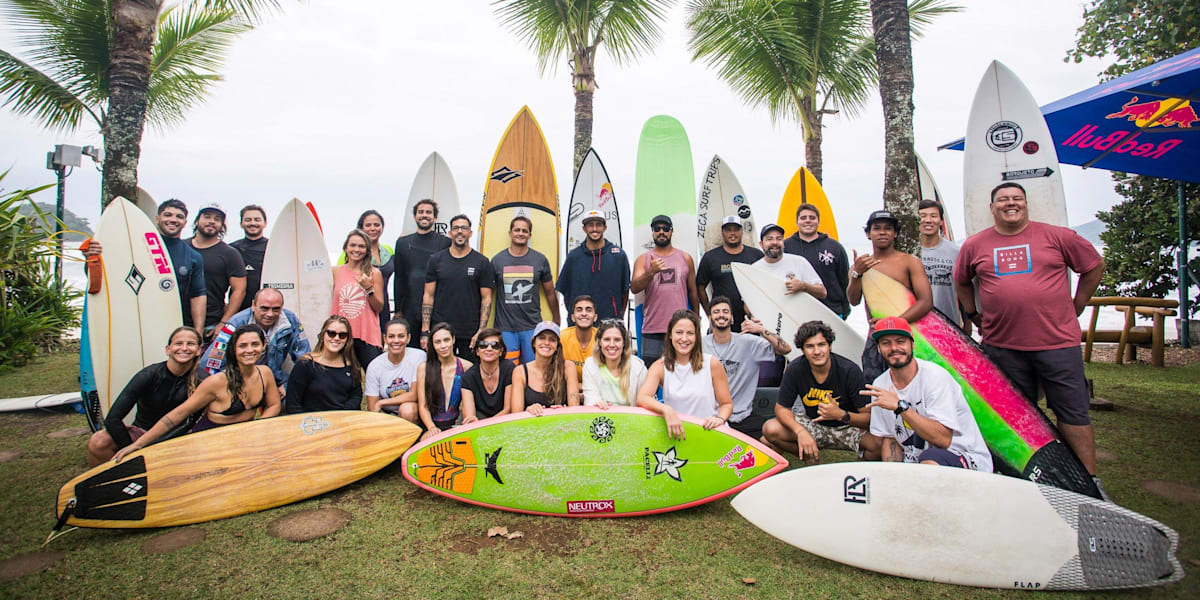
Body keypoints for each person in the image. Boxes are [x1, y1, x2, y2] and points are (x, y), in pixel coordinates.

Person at [954, 181, 1106, 494]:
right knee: (1013, 420)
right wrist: (971, 312)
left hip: (1057, 344)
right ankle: (1020, 483)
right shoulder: (975, 244)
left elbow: (1093, 266)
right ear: (992, 207)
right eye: (1003, 199)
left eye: (1017, 198)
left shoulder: (1058, 236)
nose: (1011, 203)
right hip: (1002, 347)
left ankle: (1088, 484)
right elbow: (962, 280)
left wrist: (1077, 304)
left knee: (1072, 413)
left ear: (1025, 204)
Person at [113, 324, 282, 462]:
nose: (249, 350)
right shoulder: (216, 382)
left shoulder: (264, 373)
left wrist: (256, 427)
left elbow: (274, 405)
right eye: (243, 346)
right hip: (210, 442)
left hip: (244, 438)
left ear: (263, 346)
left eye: (255, 344)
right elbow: (177, 415)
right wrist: (138, 445)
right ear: (233, 349)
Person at [862, 317, 993, 471]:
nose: (894, 348)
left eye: (900, 341)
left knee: (930, 458)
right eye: (886, 343)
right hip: (919, 466)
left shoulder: (935, 377)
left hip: (964, 456)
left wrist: (900, 407)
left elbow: (943, 440)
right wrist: (894, 477)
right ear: (879, 349)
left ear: (912, 344)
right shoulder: (880, 384)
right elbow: (890, 440)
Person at [762, 320, 879, 464]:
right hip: (814, 425)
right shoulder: (796, 369)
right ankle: (811, 458)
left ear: (830, 346)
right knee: (770, 429)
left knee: (878, 445)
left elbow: (868, 418)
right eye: (810, 346)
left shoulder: (849, 370)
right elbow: (781, 408)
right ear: (802, 349)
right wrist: (800, 431)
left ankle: (858, 466)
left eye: (821, 345)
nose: (817, 352)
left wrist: (840, 414)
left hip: (847, 426)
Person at [86, 327, 202, 466]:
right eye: (178, 343)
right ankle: (104, 477)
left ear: (198, 350)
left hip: (178, 437)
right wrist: (131, 448)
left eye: (190, 344)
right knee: (98, 441)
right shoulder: (149, 375)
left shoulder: (202, 380)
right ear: (168, 349)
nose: (184, 348)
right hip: (142, 432)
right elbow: (113, 419)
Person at [82, 199, 207, 328]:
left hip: (174, 323)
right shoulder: (135, 248)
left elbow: (197, 295)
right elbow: (103, 278)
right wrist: (92, 259)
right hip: (136, 323)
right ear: (157, 219)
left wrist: (198, 330)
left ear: (185, 223)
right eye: (168, 215)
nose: (173, 220)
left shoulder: (193, 256)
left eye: (179, 217)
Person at [846, 209, 933, 383]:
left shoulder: (909, 262)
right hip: (876, 339)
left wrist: (893, 323)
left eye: (888, 228)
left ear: (895, 234)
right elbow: (853, 301)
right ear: (869, 234)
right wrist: (857, 274)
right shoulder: (860, 266)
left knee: (913, 385)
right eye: (877, 228)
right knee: (875, 386)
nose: (882, 232)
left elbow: (926, 302)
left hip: (909, 336)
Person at [703, 296, 791, 439]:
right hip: (710, 416)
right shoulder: (700, 345)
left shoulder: (749, 343)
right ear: (710, 318)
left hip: (742, 417)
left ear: (732, 318)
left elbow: (785, 349)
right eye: (716, 312)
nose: (721, 315)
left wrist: (761, 330)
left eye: (725, 311)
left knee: (770, 440)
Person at [637, 310, 733, 440]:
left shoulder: (712, 363)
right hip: (680, 437)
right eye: (679, 332)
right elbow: (642, 398)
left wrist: (719, 419)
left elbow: (726, 404)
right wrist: (666, 410)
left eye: (690, 333)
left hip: (711, 434)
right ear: (670, 335)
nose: (684, 338)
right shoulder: (660, 366)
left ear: (696, 337)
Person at [199, 288, 310, 398]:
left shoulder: (289, 320)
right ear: (253, 305)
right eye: (264, 308)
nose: (270, 314)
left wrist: (289, 386)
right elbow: (212, 363)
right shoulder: (236, 323)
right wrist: (225, 390)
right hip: (240, 381)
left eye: (276, 309)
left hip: (276, 379)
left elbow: (305, 359)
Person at [422, 214, 495, 363]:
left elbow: (486, 298)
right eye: (456, 228)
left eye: (464, 228)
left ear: (470, 233)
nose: (460, 231)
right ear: (450, 233)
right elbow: (428, 295)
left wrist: (481, 330)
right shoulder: (436, 260)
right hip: (441, 330)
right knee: (439, 371)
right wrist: (425, 330)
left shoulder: (482, 262)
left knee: (469, 372)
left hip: (470, 332)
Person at [631, 215, 699, 367]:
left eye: (665, 228)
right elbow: (634, 288)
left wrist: (696, 321)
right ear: (653, 232)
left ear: (671, 231)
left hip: (680, 329)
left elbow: (693, 292)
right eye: (657, 229)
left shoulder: (685, 258)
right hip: (652, 328)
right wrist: (651, 272)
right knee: (652, 374)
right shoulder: (643, 259)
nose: (661, 232)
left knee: (682, 373)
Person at [492, 216, 558, 363]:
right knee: (509, 370)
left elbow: (550, 292)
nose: (520, 233)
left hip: (532, 326)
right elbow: (487, 295)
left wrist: (557, 319)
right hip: (505, 327)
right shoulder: (497, 260)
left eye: (524, 231)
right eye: (517, 230)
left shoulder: (540, 260)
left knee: (534, 368)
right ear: (510, 233)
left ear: (530, 235)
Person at [392, 199, 451, 347]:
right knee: (411, 352)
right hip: (410, 308)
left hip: (437, 309)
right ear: (415, 216)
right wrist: (398, 310)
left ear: (435, 217)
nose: (424, 215)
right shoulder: (403, 243)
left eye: (428, 212)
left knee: (436, 352)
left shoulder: (445, 243)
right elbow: (399, 278)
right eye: (421, 212)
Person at [556, 210, 630, 323]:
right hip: (581, 325)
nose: (594, 229)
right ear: (584, 228)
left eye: (598, 225)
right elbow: (565, 292)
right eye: (590, 225)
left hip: (610, 324)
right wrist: (577, 317)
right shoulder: (573, 257)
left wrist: (618, 316)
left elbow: (625, 292)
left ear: (605, 228)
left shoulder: (618, 256)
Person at [187, 203, 247, 341]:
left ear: (222, 225)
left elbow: (239, 290)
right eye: (207, 217)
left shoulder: (230, 253)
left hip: (212, 323)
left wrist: (224, 323)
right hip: (177, 317)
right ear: (197, 220)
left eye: (217, 219)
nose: (212, 221)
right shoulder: (182, 247)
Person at [697, 216, 764, 332]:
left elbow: (764, 284)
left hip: (751, 319)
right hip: (722, 319)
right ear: (722, 232)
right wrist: (709, 312)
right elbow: (700, 286)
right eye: (728, 230)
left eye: (736, 230)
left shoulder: (756, 255)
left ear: (741, 231)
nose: (732, 233)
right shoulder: (710, 257)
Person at [286, 316, 364, 413]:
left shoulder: (352, 366)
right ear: (323, 335)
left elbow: (356, 396)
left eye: (342, 335)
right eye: (331, 333)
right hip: (312, 420)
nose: (336, 338)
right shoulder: (305, 364)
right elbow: (293, 403)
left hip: (343, 419)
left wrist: (342, 416)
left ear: (347, 339)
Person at [784, 204, 850, 318]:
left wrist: (845, 310)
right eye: (803, 218)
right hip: (796, 312)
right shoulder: (785, 247)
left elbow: (844, 280)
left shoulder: (834, 247)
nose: (808, 221)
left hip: (831, 310)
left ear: (818, 222)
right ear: (797, 222)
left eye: (812, 218)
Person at [333, 229, 385, 369]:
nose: (356, 249)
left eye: (361, 246)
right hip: (341, 335)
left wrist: (368, 288)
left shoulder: (374, 273)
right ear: (346, 248)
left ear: (367, 250)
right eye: (353, 245)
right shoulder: (335, 271)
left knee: (374, 375)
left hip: (366, 335)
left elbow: (379, 307)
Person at [340, 210, 395, 338]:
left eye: (376, 225)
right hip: (361, 308)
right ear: (361, 228)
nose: (373, 228)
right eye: (368, 225)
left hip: (383, 305)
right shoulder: (351, 253)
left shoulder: (388, 250)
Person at [417, 323, 473, 438]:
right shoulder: (424, 368)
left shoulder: (466, 367)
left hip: (457, 424)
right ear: (432, 345)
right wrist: (431, 428)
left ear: (453, 340)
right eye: (438, 342)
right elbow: (423, 406)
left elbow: (468, 405)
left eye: (446, 340)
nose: (443, 346)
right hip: (431, 425)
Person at [512, 322, 580, 416]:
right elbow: (516, 415)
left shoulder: (568, 367)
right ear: (534, 343)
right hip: (532, 423)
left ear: (557, 346)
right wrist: (528, 410)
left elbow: (575, 409)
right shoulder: (520, 372)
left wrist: (564, 410)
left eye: (552, 339)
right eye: (542, 338)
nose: (547, 343)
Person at [365, 318, 426, 422]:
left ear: (408, 338)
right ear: (385, 338)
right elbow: (372, 406)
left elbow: (414, 395)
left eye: (401, 336)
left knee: (407, 410)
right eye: (391, 336)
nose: (396, 340)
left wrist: (382, 402)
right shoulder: (374, 366)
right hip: (387, 414)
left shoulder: (419, 356)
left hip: (414, 410)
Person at [917, 200, 964, 327]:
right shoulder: (908, 252)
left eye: (933, 216)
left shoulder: (955, 252)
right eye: (923, 216)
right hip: (915, 326)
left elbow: (963, 288)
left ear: (941, 221)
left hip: (948, 324)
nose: (928, 220)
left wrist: (967, 321)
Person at [582, 320, 647, 408]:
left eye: (617, 340)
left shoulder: (638, 367)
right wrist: (596, 404)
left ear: (624, 343)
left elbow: (645, 403)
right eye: (607, 339)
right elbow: (590, 401)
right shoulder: (590, 365)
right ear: (600, 342)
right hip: (601, 414)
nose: (612, 344)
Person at [753, 224, 826, 299]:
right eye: (769, 239)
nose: (775, 242)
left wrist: (804, 286)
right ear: (761, 244)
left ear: (783, 243)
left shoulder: (799, 262)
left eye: (779, 239)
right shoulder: (754, 269)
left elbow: (823, 293)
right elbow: (749, 302)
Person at [460, 328, 515, 421]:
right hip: (479, 420)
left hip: (504, 420)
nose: (489, 349)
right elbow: (469, 416)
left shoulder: (509, 369)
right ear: (477, 351)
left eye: (495, 345)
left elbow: (508, 409)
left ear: (501, 351)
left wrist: (488, 424)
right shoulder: (468, 377)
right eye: (483, 345)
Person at [230, 204, 268, 311]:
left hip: (267, 308)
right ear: (241, 224)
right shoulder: (232, 249)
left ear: (265, 223)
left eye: (257, 220)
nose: (253, 223)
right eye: (248, 220)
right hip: (238, 308)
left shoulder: (272, 247)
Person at [561, 295, 598, 382]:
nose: (584, 314)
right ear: (572, 317)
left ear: (595, 317)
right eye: (579, 310)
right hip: (566, 386)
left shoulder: (603, 339)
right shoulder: (562, 338)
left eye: (588, 310)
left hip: (596, 387)